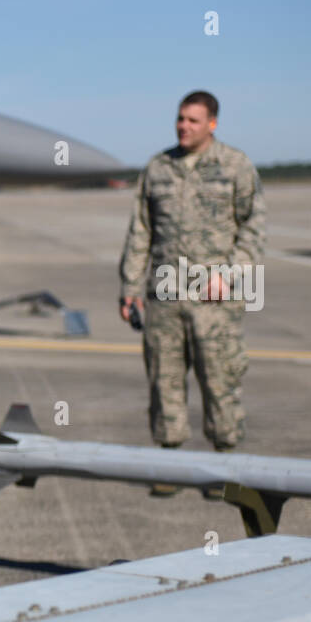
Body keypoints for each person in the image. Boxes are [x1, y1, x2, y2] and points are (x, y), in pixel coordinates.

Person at [118, 90, 266, 496]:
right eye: (180, 119)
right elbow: (140, 231)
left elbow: (253, 229)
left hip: (215, 298)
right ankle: (170, 464)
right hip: (164, 295)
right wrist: (130, 287)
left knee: (219, 379)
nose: (184, 126)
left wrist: (231, 274)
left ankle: (224, 465)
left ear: (212, 124)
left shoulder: (236, 166)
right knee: (164, 379)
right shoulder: (159, 168)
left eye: (193, 120)